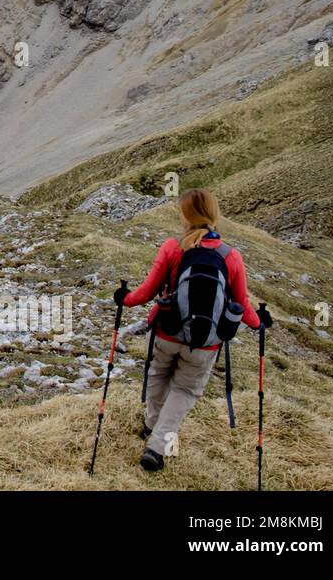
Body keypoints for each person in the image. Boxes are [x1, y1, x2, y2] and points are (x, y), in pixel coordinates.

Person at [115, 188, 265, 472]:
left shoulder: (173, 247)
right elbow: (242, 305)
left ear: (185, 215)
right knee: (184, 389)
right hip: (204, 343)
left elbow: (147, 292)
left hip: (165, 332)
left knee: (158, 373)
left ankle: (151, 426)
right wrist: (260, 323)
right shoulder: (231, 256)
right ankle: (158, 446)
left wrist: (125, 298)